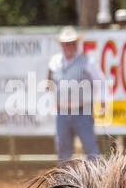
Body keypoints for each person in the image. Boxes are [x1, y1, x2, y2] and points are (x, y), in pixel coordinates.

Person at [46, 26, 107, 163]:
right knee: (62, 149)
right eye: (67, 44)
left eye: (72, 43)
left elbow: (100, 81)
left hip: (82, 110)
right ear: (61, 45)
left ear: (76, 44)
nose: (69, 46)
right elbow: (49, 80)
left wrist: (102, 101)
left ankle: (96, 179)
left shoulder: (87, 61)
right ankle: (62, 180)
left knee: (90, 148)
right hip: (62, 110)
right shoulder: (55, 62)